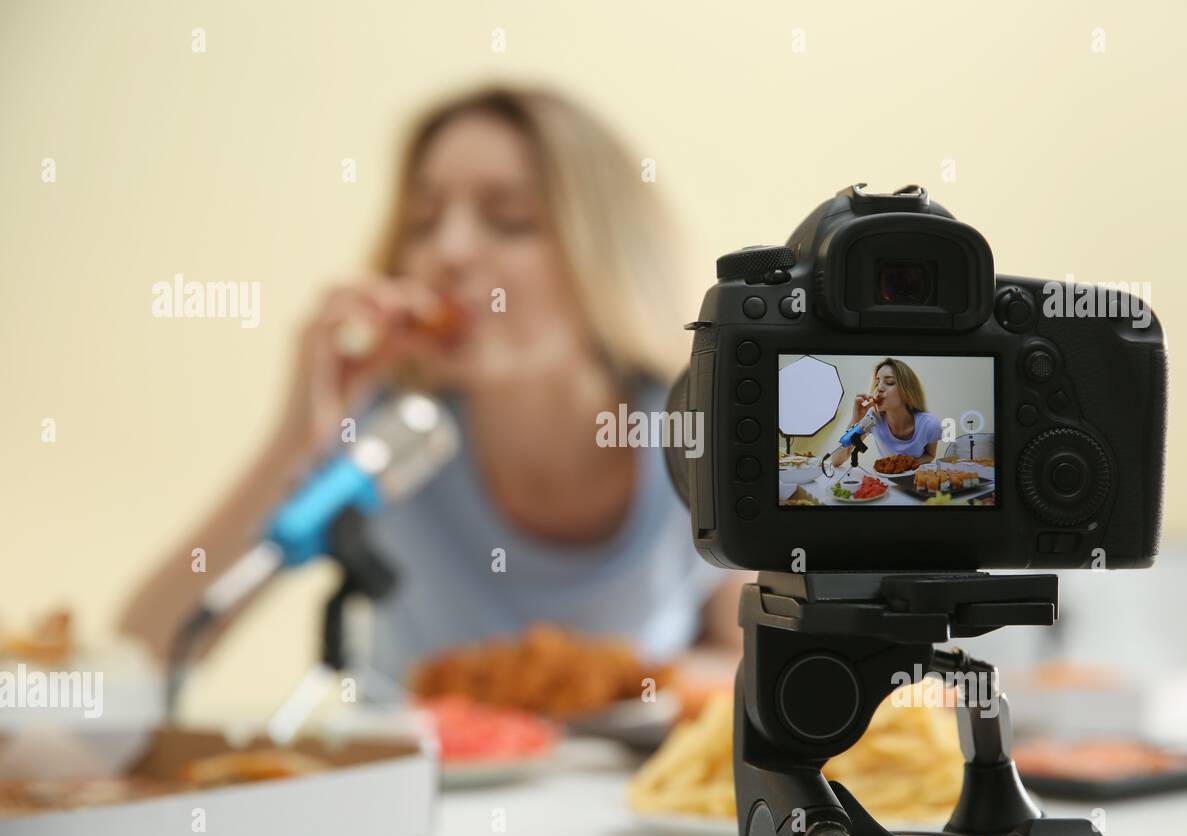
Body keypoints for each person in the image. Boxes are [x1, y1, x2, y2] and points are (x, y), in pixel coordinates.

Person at [118, 84, 743, 697]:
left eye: (510, 221)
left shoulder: (697, 433)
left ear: (607, 255)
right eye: (423, 221)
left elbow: (759, 669)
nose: (448, 251)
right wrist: (296, 442)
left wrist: (602, 687)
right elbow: (146, 653)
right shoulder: (390, 433)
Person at [827, 357, 941, 468]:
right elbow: (836, 460)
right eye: (877, 383)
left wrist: (908, 465)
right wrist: (856, 419)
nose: (879, 388)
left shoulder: (930, 424)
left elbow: (930, 455)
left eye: (890, 382)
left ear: (907, 390)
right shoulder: (873, 419)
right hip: (887, 484)